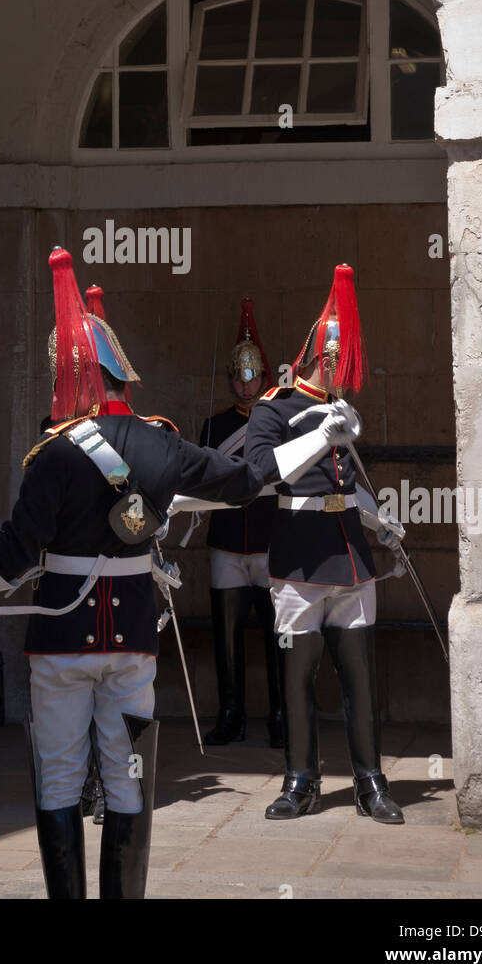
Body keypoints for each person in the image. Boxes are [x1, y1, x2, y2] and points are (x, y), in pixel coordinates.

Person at [0, 248, 264, 898]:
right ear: (119, 374)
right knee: (126, 785)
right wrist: (303, 435)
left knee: (59, 784)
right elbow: (244, 482)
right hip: (132, 642)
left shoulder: (53, 455)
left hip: (60, 644)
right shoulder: (160, 442)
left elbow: (11, 555)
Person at [244, 264, 405, 825]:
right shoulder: (276, 406)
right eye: (336, 358)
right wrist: (318, 433)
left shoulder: (344, 410)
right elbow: (260, 471)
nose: (341, 369)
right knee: (297, 679)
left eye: (347, 361)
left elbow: (347, 485)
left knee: (360, 678)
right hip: (298, 560)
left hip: (351, 560)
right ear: (317, 353)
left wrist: (379, 520)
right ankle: (300, 780)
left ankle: (370, 782)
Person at [196, 299, 284, 747]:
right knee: (225, 635)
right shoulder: (214, 427)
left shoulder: (275, 422)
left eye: (252, 375)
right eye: (238, 375)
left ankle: (281, 714)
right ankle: (230, 712)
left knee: (278, 633)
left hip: (269, 538)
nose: (245, 384)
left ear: (263, 377)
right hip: (228, 541)